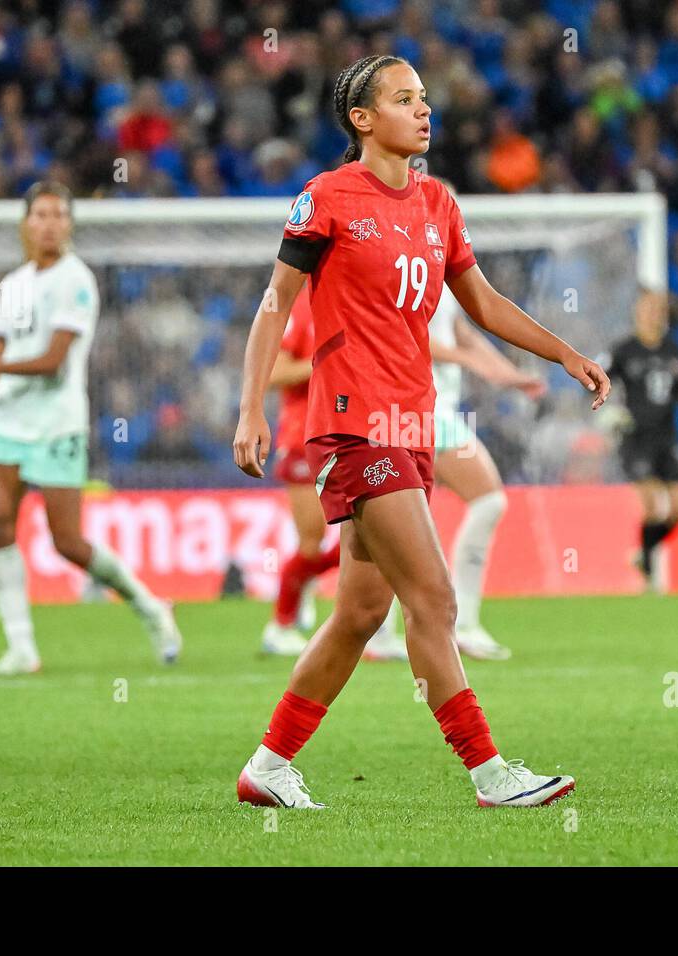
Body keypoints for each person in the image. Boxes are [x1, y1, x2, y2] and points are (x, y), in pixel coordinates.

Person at [231, 54, 609, 809]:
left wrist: (563, 352)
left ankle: (267, 767)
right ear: (363, 119)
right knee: (433, 599)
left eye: (425, 98)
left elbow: (484, 304)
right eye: (404, 100)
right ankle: (490, 773)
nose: (424, 110)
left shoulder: (438, 202)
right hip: (354, 426)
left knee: (359, 612)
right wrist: (249, 409)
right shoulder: (327, 197)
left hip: (412, 422)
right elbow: (275, 304)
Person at [0, 181, 182, 675]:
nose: (50, 224)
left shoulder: (76, 281)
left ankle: (150, 607)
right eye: (41, 215)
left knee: (67, 542)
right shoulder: (13, 285)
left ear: (70, 224)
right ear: (26, 223)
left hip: (56, 424)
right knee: (0, 524)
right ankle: (21, 648)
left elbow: (51, 363)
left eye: (59, 215)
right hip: (6, 422)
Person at [363, 281, 548, 662]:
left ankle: (380, 632)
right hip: (415, 406)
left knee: (400, 519)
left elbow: (462, 333)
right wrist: (467, 361)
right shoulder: (407, 268)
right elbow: (401, 334)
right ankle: (460, 625)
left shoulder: (442, 273)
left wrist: (506, 373)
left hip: (435, 407)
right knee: (486, 500)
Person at [260, 285, 340, 656]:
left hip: (350, 435)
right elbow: (274, 372)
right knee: (312, 541)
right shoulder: (300, 304)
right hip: (304, 438)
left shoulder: (352, 297)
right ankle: (281, 626)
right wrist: (329, 361)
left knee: (367, 538)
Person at [601, 290, 678, 591]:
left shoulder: (674, 351)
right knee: (653, 506)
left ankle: (644, 553)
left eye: (658, 309)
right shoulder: (623, 350)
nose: (653, 314)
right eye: (648, 308)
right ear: (637, 312)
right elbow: (595, 381)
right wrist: (609, 411)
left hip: (668, 436)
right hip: (636, 437)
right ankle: (649, 575)